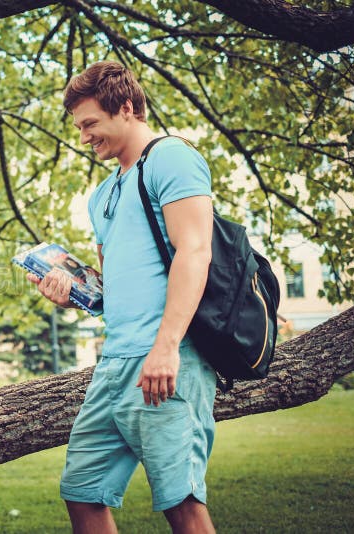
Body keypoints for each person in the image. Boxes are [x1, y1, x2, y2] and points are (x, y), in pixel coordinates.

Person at [28, 61, 217, 533]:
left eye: (90, 124)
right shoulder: (102, 195)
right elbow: (111, 289)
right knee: (82, 491)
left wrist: (166, 347)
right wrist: (70, 293)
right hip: (114, 363)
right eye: (79, 128)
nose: (84, 137)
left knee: (182, 503)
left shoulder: (171, 158)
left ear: (127, 107)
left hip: (167, 358)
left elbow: (195, 253)